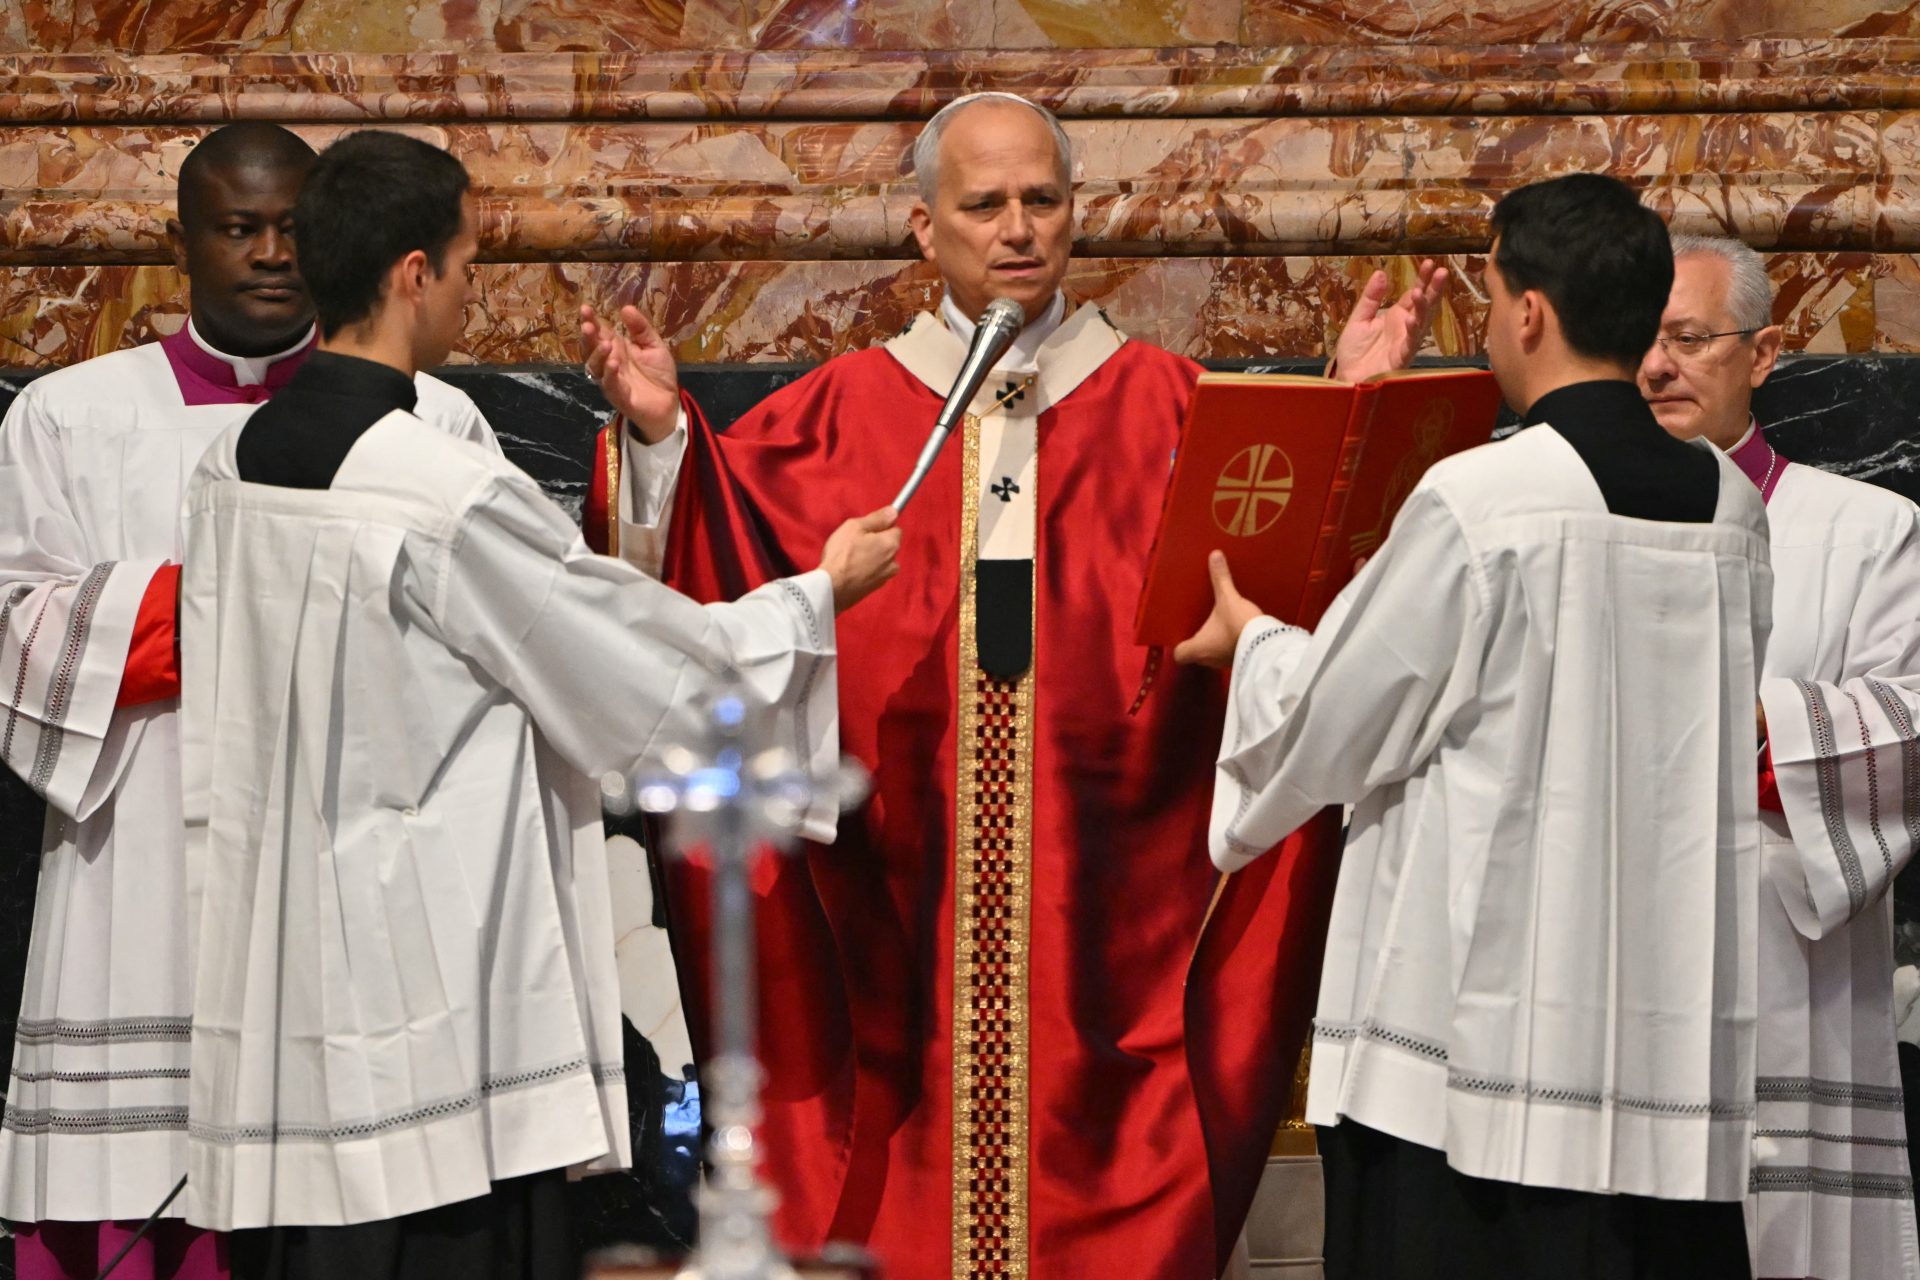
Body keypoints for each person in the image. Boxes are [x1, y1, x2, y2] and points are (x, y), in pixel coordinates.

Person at [578, 90, 1446, 1280]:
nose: (1018, 228)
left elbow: (1296, 619)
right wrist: (669, 441)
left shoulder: (1176, 412)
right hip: (895, 915)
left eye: (1043, 199)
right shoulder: (834, 420)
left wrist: (1342, 407)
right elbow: (707, 582)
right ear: (922, 229)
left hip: (1110, 934)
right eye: (983, 205)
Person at [173, 129, 899, 1278]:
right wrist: (818, 597)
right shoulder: (435, 489)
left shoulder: (236, 460)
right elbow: (649, 668)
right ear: (413, 273)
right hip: (430, 976)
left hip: (286, 967)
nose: (471, 293)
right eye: (467, 264)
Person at [1176, 173, 1772, 1279]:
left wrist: (1251, 638)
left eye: (1490, 291)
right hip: (1662, 1039)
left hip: (1473, 1071)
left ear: (1531, 311)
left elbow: (1334, 723)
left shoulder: (1485, 499)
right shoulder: (1730, 507)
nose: (1487, 318)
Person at [0, 122, 495, 1280]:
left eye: (292, 228)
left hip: (351, 861)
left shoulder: (436, 421)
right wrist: (221, 604)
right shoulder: (68, 417)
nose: (271, 253)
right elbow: (16, 622)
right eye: (239, 227)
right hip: (141, 868)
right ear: (182, 243)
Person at [1639, 233, 1920, 1280]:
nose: (1657, 365)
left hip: (1782, 976)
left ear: (1763, 355)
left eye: (1690, 338)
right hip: (1619, 973)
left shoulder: (1868, 529)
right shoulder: (1583, 524)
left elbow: (1910, 725)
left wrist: (1764, 726)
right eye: (1641, 339)